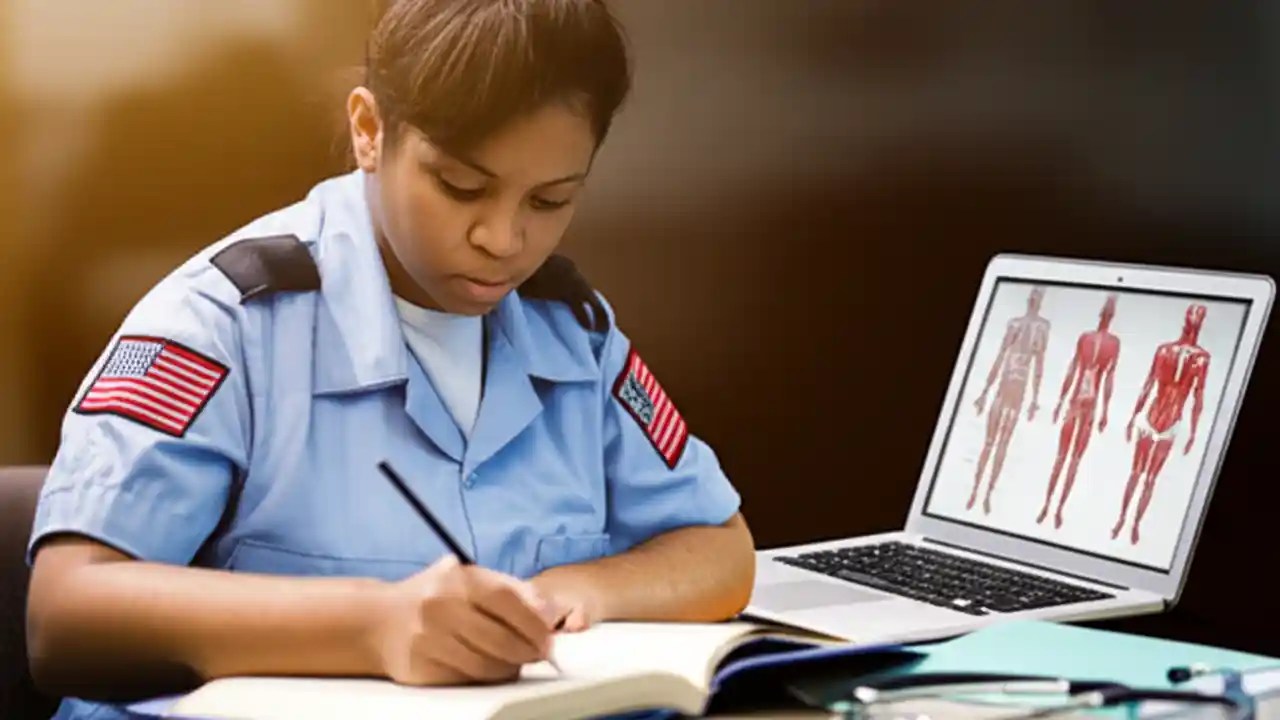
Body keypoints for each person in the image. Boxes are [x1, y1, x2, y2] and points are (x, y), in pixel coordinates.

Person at [23, 2, 756, 718]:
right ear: (370, 131)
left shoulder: (570, 330)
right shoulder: (223, 323)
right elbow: (66, 615)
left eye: (550, 200)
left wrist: (578, 590)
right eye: (461, 188)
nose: (503, 239)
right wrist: (374, 625)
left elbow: (719, 550)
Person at [1113, 304, 1210, 545]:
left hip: (1168, 423)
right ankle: (1123, 518)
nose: (1193, 323)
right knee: (1137, 474)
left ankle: (1134, 522)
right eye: (1193, 317)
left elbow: (1198, 397)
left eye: (1196, 318)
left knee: (1149, 478)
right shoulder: (1167, 351)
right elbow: (1149, 384)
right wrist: (1133, 416)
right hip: (1152, 418)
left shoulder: (1200, 358)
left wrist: (1194, 433)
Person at [1036, 294, 1120, 529]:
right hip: (1082, 406)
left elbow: (1104, 377)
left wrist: (1104, 411)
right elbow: (1077, 370)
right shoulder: (1102, 341)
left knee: (1070, 459)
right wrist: (1061, 402)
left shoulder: (1102, 341)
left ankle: (1056, 507)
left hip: (1083, 406)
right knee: (1066, 459)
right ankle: (1049, 505)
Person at [969, 286, 1050, 515]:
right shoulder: (1015, 324)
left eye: (1038, 296)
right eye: (1033, 295)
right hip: (1002, 391)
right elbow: (1000, 356)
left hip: (1017, 395)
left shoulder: (1041, 328)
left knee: (1002, 444)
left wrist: (1035, 399)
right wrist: (984, 392)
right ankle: (976, 489)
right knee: (989, 443)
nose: (1034, 299)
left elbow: (1039, 366)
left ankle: (987, 493)